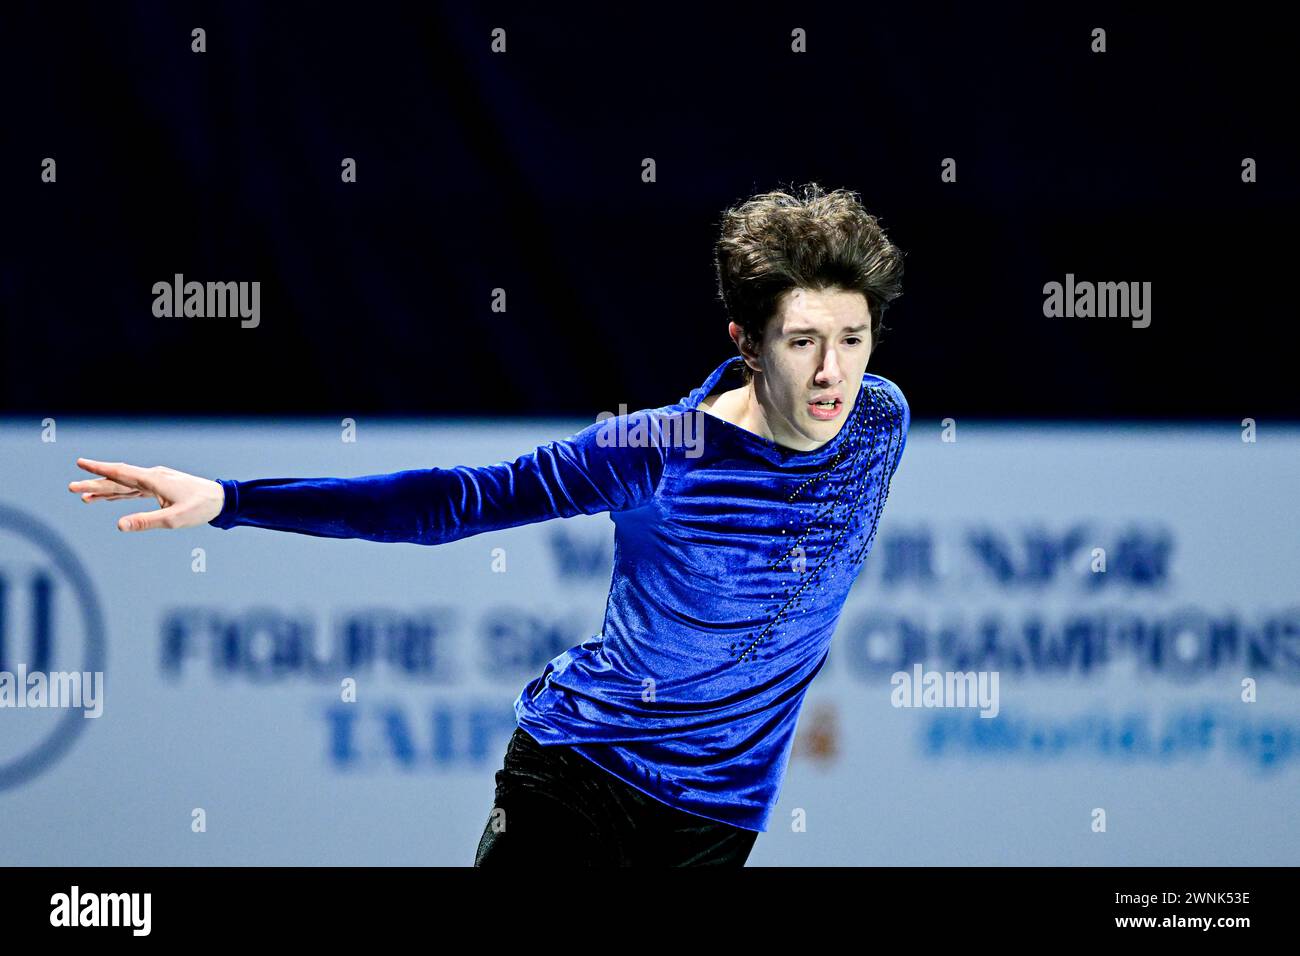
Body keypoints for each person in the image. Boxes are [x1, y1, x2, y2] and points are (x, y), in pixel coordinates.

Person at [67, 183, 909, 867]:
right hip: (582, 775)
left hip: (720, 819)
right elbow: (455, 501)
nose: (833, 372)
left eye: (853, 339)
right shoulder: (659, 450)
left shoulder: (881, 423)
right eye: (803, 342)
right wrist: (233, 500)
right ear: (749, 344)